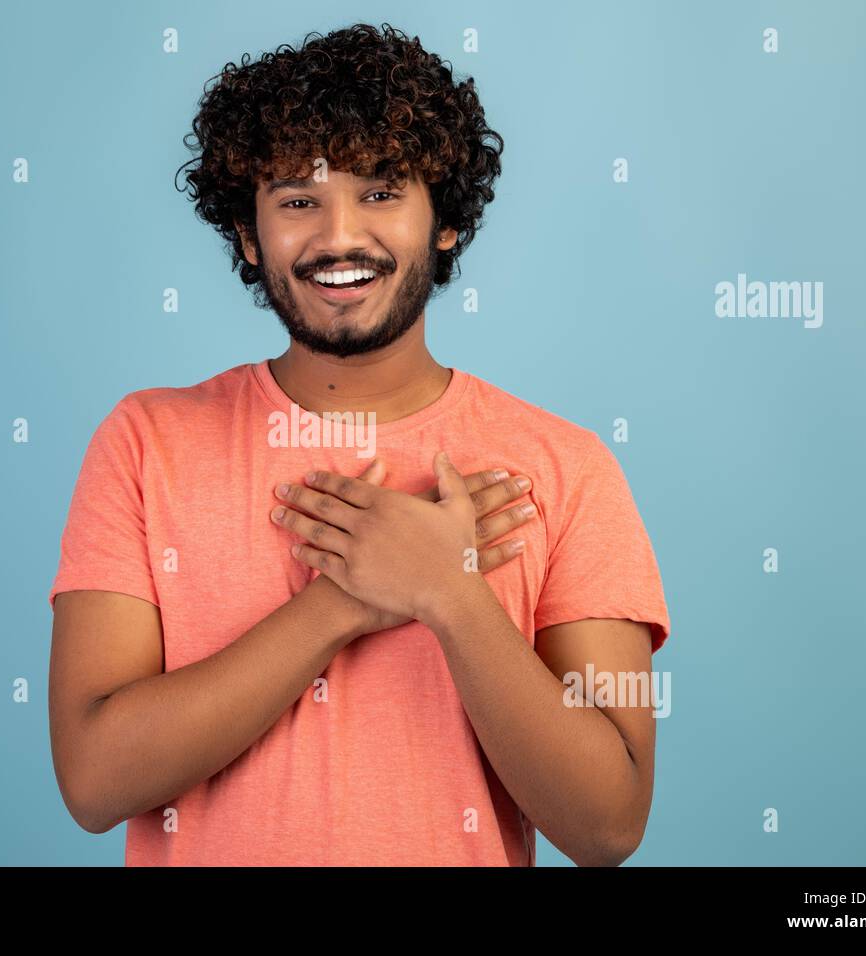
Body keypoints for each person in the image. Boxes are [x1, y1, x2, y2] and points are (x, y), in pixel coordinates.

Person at [47, 22, 670, 866]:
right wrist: (342, 604)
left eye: (381, 192)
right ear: (247, 235)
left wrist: (449, 594)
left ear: (444, 220)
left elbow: (607, 826)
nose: (340, 237)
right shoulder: (146, 443)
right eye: (298, 201)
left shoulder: (568, 467)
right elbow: (94, 780)